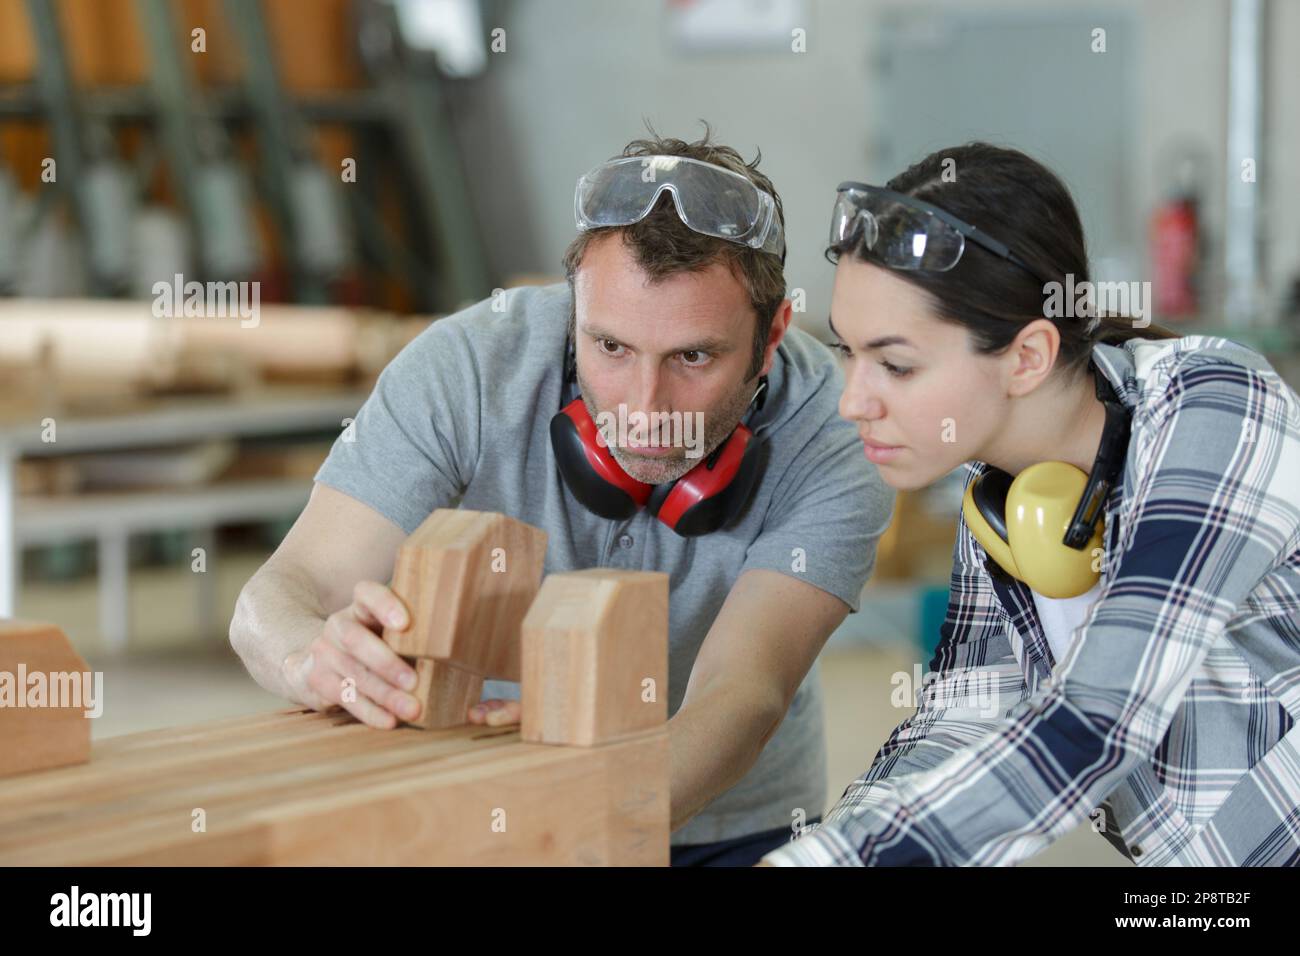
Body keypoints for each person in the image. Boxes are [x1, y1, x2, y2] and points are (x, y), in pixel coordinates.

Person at [229, 128, 895, 866]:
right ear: (573, 311)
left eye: (693, 356)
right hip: (499, 789)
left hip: (726, 818)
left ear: (772, 337)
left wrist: (585, 814)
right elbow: (277, 596)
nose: (644, 408)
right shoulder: (467, 370)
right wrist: (305, 657)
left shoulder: (840, 427)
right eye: (609, 347)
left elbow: (744, 693)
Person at [762, 142, 1300, 866]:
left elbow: (1103, 715)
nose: (853, 401)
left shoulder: (1218, 409)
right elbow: (959, 718)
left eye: (895, 364)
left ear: (1027, 356)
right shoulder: (997, 489)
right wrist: (836, 842)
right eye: (847, 352)